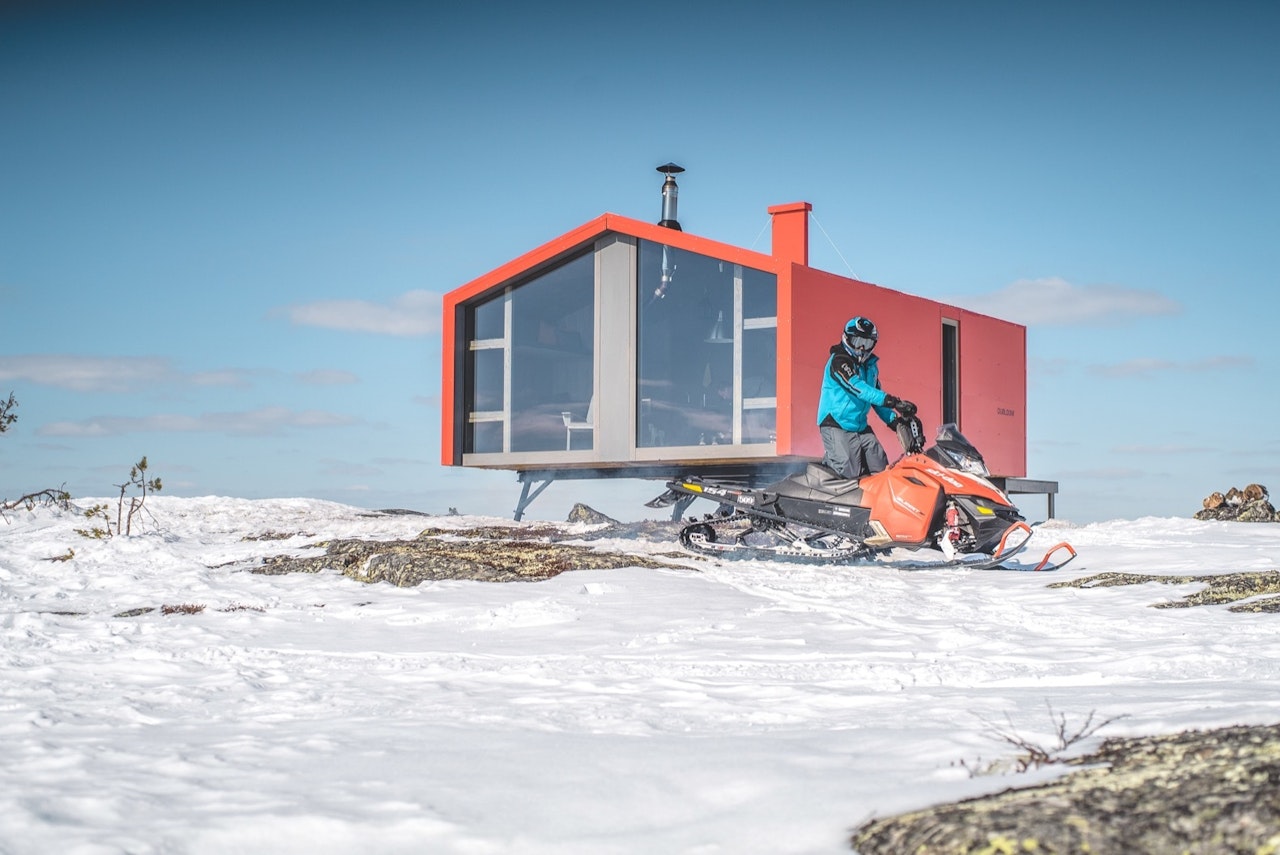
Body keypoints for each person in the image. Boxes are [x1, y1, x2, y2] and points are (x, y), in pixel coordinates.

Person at [816, 316, 914, 479]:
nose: (862, 348)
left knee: (880, 464)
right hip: (836, 422)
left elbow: (875, 398)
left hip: (859, 426)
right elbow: (858, 388)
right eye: (857, 341)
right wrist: (893, 401)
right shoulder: (839, 361)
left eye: (867, 343)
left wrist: (894, 421)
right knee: (848, 469)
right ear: (847, 338)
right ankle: (825, 479)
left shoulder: (869, 367)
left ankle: (875, 502)